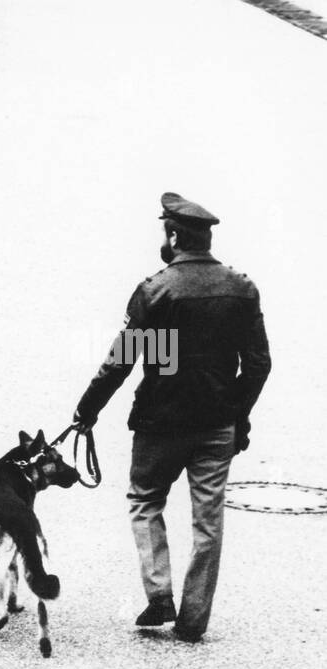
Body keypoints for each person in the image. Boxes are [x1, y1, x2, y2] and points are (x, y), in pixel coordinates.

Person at [72, 192, 271, 642]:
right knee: (208, 522)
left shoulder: (156, 292)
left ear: (175, 234)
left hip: (160, 425)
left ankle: (159, 594)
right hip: (218, 426)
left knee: (145, 502)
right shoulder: (241, 290)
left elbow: (123, 362)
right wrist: (237, 415)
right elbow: (257, 364)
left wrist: (88, 410)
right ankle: (193, 622)